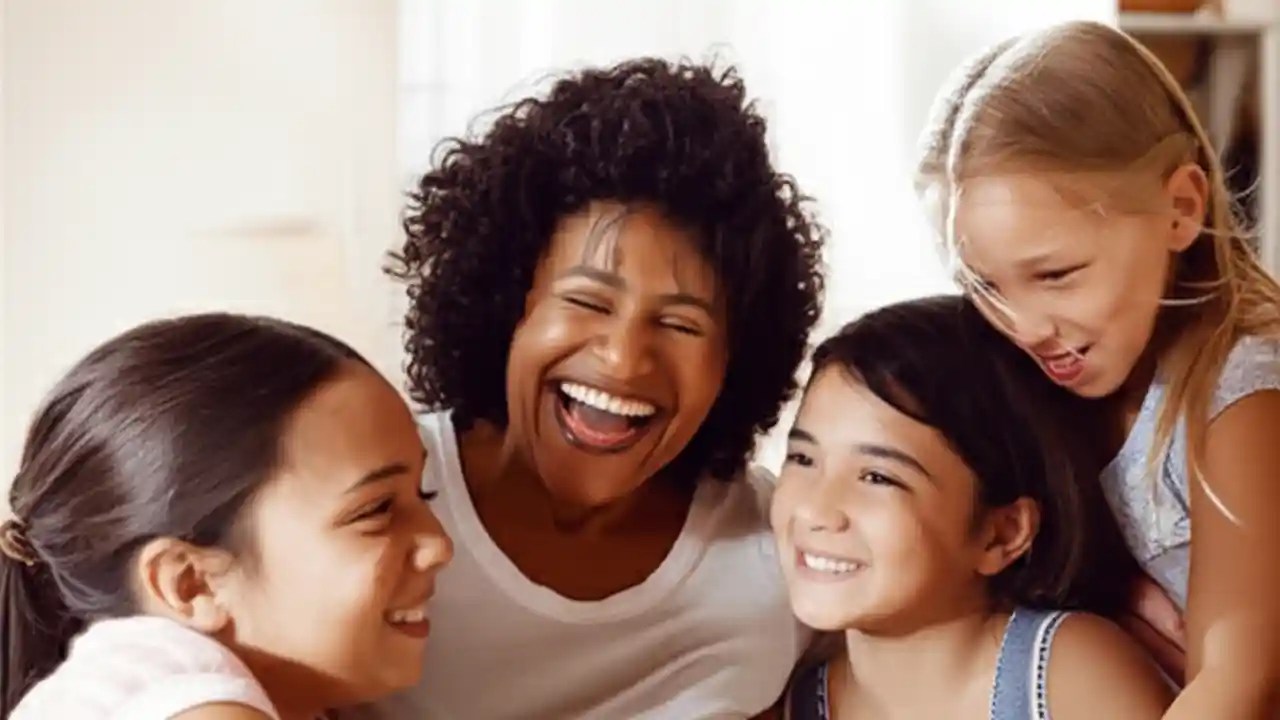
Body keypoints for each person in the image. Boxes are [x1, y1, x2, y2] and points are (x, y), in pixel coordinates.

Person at [371, 57, 826, 719]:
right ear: (509, 307)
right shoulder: (376, 498)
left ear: (735, 359)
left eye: (680, 324)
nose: (623, 360)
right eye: (587, 301)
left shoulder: (781, 554)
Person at [916, 19, 1280, 716]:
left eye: (1057, 275)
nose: (1024, 326)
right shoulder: (1030, 383)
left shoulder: (1242, 396)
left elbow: (1237, 687)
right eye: (986, 286)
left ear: (1180, 209)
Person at [0, 314, 453, 719]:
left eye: (423, 492)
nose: (440, 546)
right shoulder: (179, 695)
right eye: (377, 510)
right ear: (192, 583)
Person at [775, 295, 1172, 719]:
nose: (816, 510)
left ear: (1002, 533)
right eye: (803, 459)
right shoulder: (795, 699)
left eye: (877, 477)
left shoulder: (1070, 677)